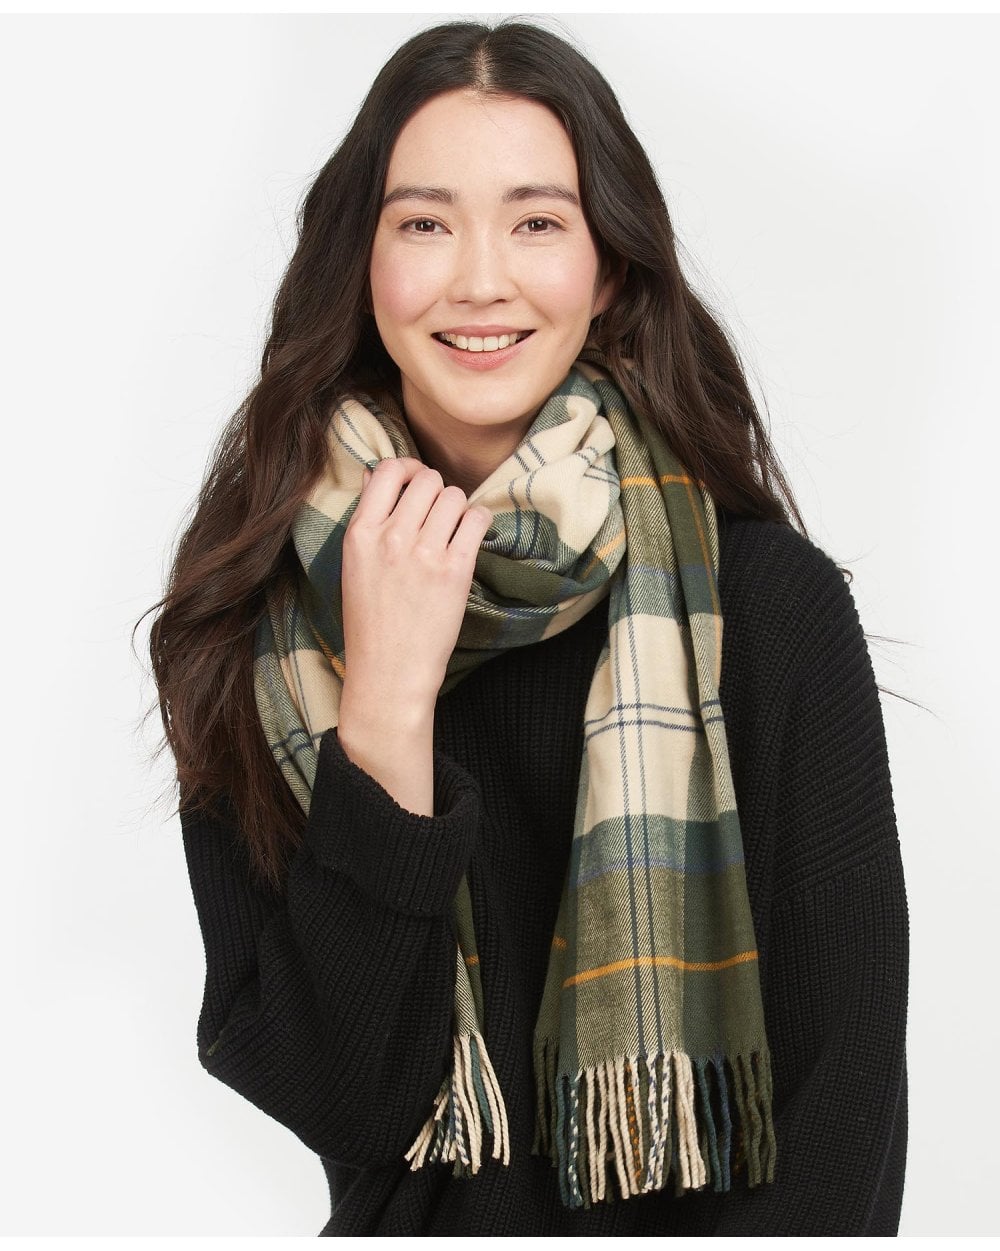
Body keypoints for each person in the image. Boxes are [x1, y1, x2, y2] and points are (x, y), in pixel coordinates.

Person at [148, 20, 909, 1236]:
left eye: (538, 222)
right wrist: (386, 707)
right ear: (360, 266)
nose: (480, 280)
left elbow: (845, 1110)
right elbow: (343, 1100)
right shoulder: (254, 624)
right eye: (424, 224)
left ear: (606, 269)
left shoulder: (767, 607)